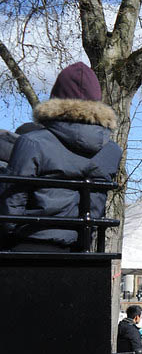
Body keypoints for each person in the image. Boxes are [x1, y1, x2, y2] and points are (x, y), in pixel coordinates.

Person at [0, 63, 121, 251]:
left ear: (55, 99)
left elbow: (12, 204)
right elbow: (96, 207)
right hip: (81, 247)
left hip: (29, 244)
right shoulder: (112, 151)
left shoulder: (32, 143)